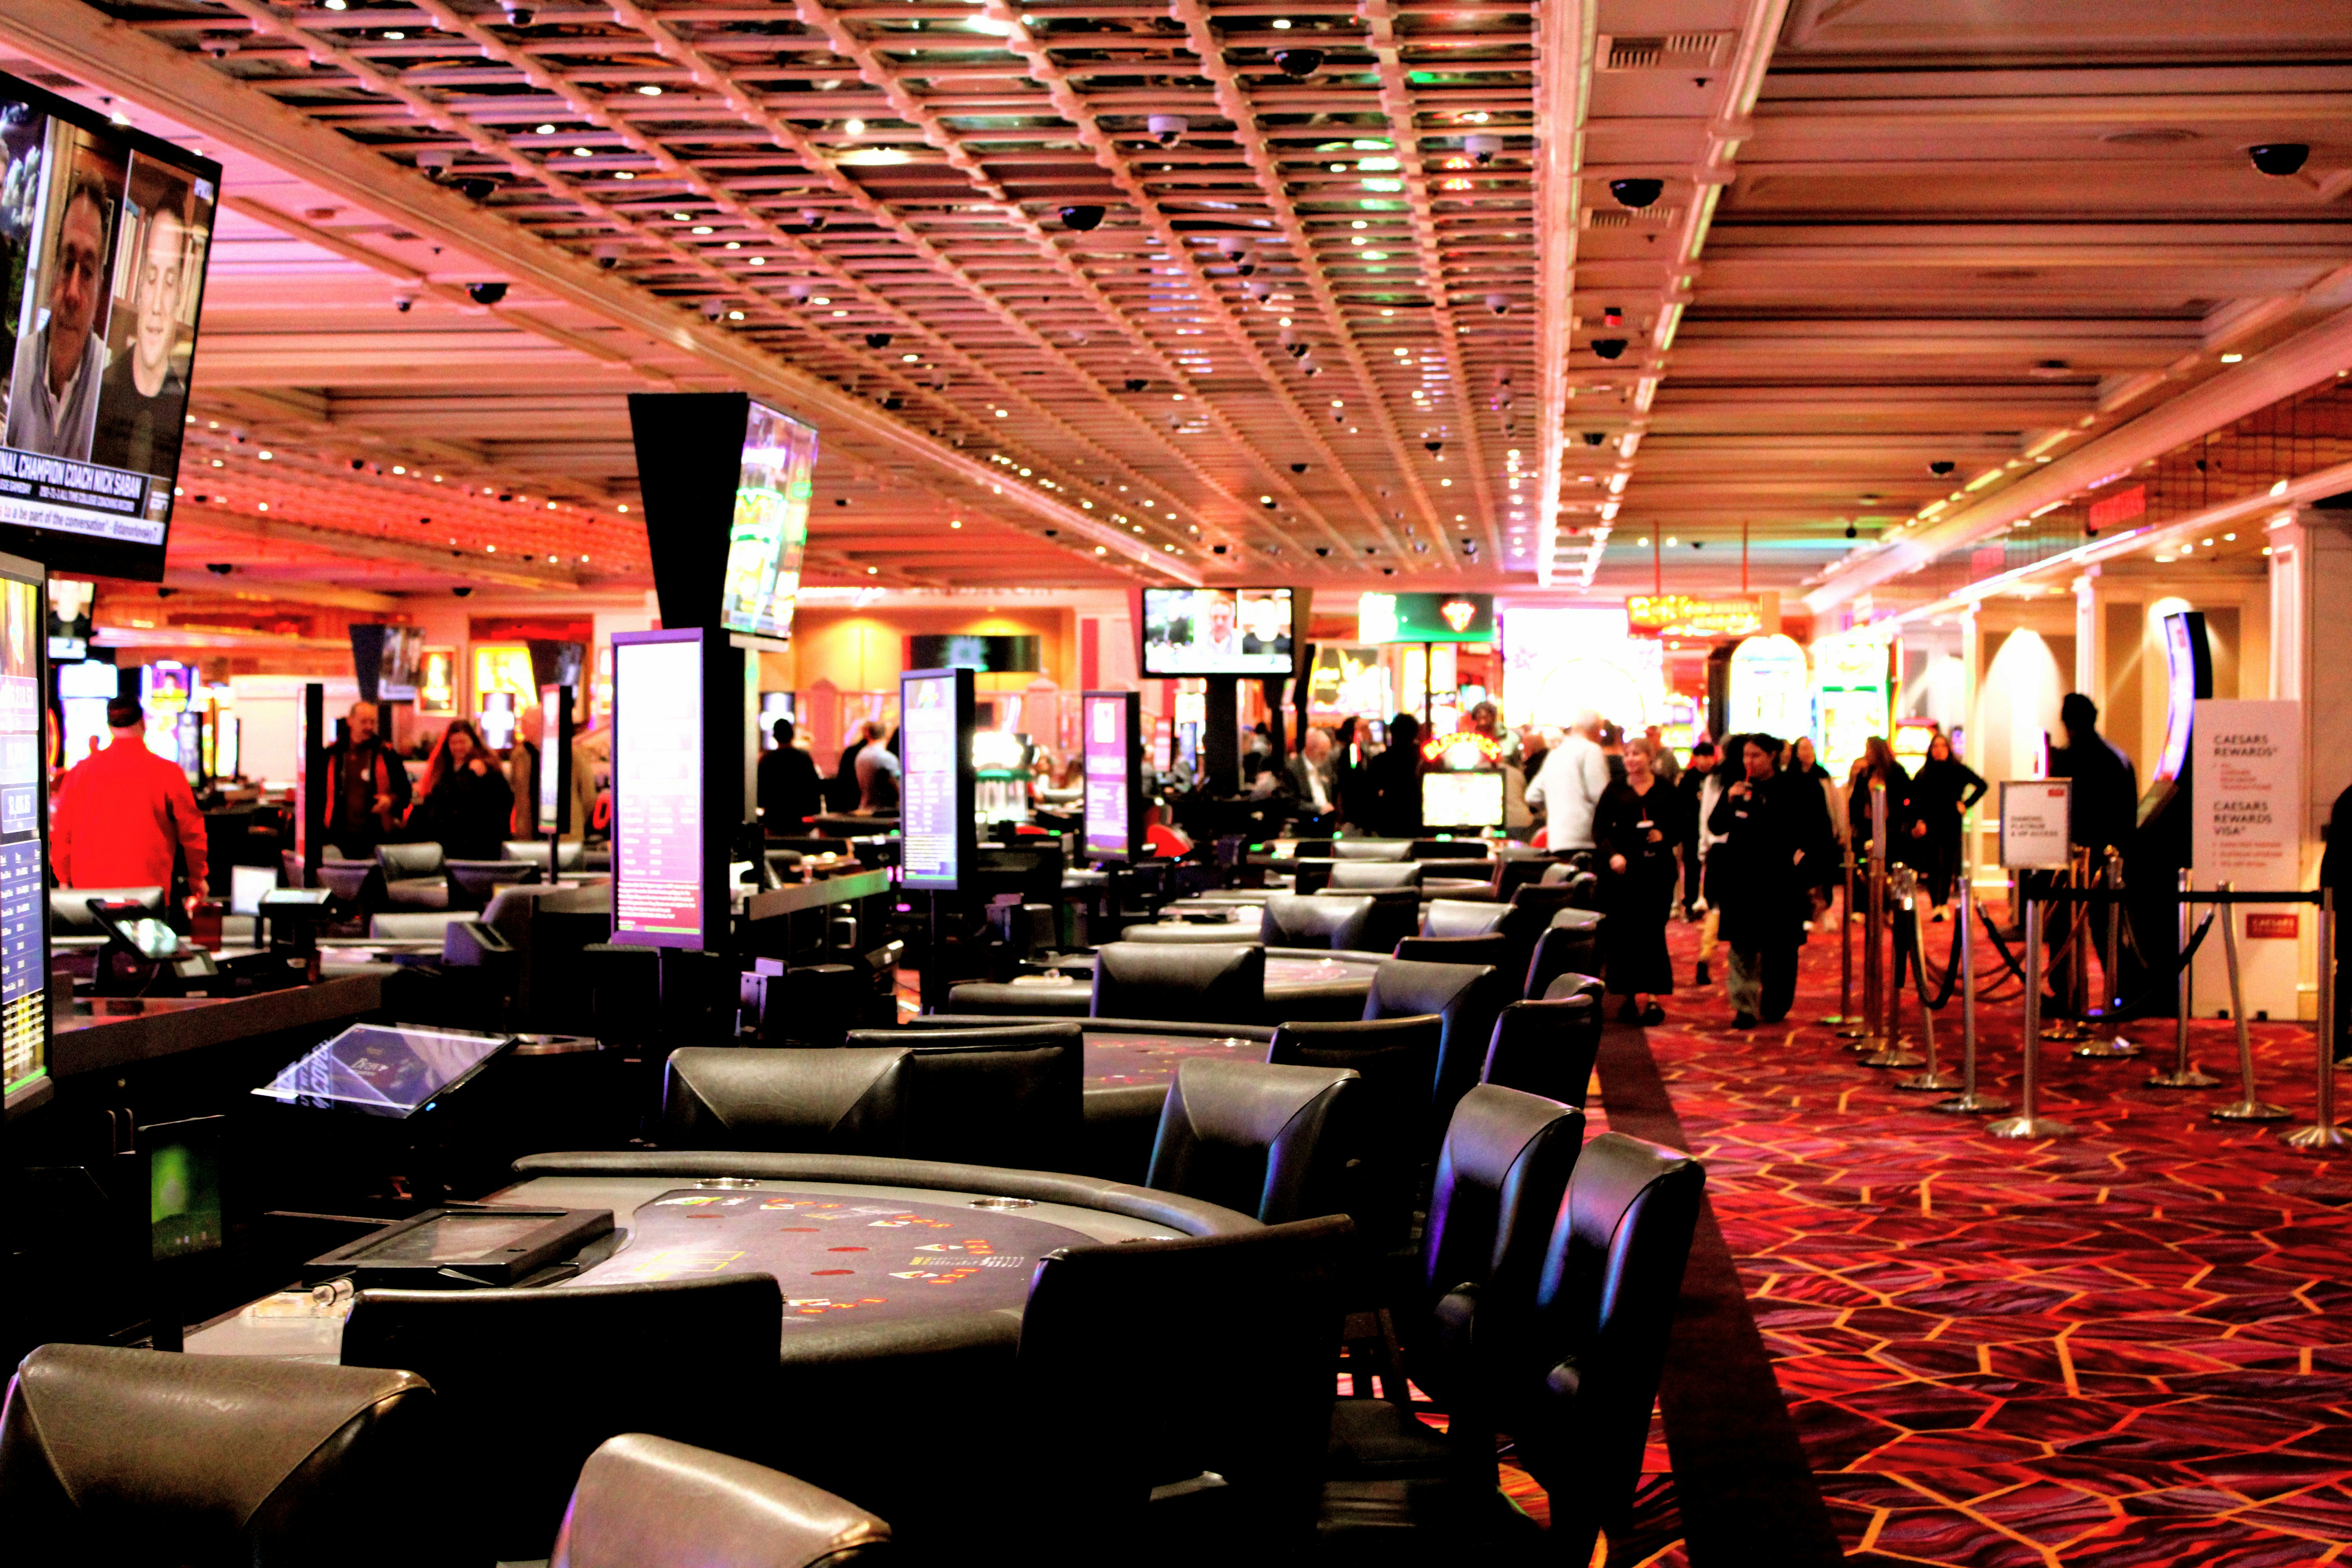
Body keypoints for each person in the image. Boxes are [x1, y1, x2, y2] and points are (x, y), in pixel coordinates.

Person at [51, 697, 207, 898]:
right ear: (143, 723)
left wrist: (64, 879)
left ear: (110, 727)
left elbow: (63, 833)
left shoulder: (80, 772)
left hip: (90, 895)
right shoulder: (168, 773)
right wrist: (198, 878)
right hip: (149, 895)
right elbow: (192, 832)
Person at [1708, 733, 1811, 1028]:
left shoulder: (1791, 788)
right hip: (1741, 879)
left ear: (1772, 756)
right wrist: (1730, 801)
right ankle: (1744, 1007)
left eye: (1756, 756)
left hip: (1779, 880)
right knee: (1742, 945)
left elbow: (1801, 829)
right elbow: (1716, 826)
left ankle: (1776, 1003)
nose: (1749, 761)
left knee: (1780, 947)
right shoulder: (1737, 788)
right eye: (1746, 755)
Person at [4, 176, 109, 460]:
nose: (72, 293)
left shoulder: (110, 380)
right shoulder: (18, 363)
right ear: (52, 271)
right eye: (67, 264)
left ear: (100, 288)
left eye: (87, 272)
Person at [91, 200, 192, 477]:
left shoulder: (182, 414)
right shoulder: (96, 398)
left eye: (169, 282)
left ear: (181, 296)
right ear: (138, 289)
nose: (157, 305)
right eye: (151, 277)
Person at [1593, 737, 1683, 1024]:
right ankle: (1629, 996)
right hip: (1623, 871)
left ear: (1650, 757)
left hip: (1656, 871)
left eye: (1637, 754)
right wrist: (1613, 856)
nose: (1631, 759)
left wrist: (1665, 836)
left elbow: (1682, 826)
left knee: (1652, 931)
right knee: (1625, 933)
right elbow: (1600, 829)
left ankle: (1654, 998)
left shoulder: (1666, 790)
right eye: (1628, 754)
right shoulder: (1615, 789)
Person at [410, 720, 514, 861]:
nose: (458, 747)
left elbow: (502, 800)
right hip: (446, 841)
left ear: (473, 742)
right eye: (454, 743)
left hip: (477, 843)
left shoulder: (485, 766)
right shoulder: (442, 767)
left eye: (463, 742)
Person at [1911, 730, 1987, 920]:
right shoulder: (1924, 773)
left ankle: (1943, 903)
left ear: (1948, 749)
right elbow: (1916, 800)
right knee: (1934, 863)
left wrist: (1966, 805)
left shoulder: (1958, 770)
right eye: (1935, 747)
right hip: (1931, 823)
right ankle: (1936, 904)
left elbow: (1982, 785)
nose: (1938, 750)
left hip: (1951, 821)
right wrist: (1918, 820)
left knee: (1948, 864)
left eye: (1942, 746)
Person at [321, 700, 411, 858]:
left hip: (377, 834)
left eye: (373, 722)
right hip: (337, 835)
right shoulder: (332, 754)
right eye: (364, 722)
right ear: (350, 721)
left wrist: (390, 801)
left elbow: (405, 792)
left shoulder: (387, 754)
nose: (369, 727)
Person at [1525, 710, 1609, 851]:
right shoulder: (1591, 750)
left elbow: (1532, 796)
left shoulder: (1555, 754)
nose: (1601, 738)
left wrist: (1555, 810)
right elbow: (1601, 797)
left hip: (1557, 841)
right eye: (1601, 733)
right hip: (1586, 840)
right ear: (1595, 730)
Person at [1675, 740, 1716, 920]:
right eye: (1700, 757)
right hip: (1692, 829)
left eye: (1707, 757)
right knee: (1692, 867)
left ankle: (1711, 902)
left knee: (1714, 867)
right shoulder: (1688, 779)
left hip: (1713, 829)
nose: (1704, 761)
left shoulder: (1717, 777)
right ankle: (1690, 905)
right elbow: (1681, 805)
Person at [759, 717, 823, 831]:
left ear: (774, 736)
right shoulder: (803, 758)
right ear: (792, 735)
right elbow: (814, 788)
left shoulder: (767, 760)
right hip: (798, 820)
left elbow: (760, 793)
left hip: (773, 820)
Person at [1365, 712, 1423, 837]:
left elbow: (1370, 795)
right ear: (1416, 734)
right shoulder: (1422, 760)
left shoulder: (1381, 761)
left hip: (1389, 823)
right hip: (1418, 821)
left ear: (1392, 734)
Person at [1284, 726, 1339, 831]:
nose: (1325, 758)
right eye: (1322, 754)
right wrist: (1318, 809)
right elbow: (1290, 802)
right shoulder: (1293, 769)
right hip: (1304, 823)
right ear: (1309, 750)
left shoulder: (1326, 765)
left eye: (1326, 754)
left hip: (1328, 822)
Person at [826, 720, 876, 814]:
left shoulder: (851, 751)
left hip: (851, 800)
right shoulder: (880, 754)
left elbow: (843, 779)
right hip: (873, 803)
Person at [855, 725, 901, 813]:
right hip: (885, 813)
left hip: (865, 810)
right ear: (886, 736)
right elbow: (898, 789)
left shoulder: (861, 755)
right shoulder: (887, 758)